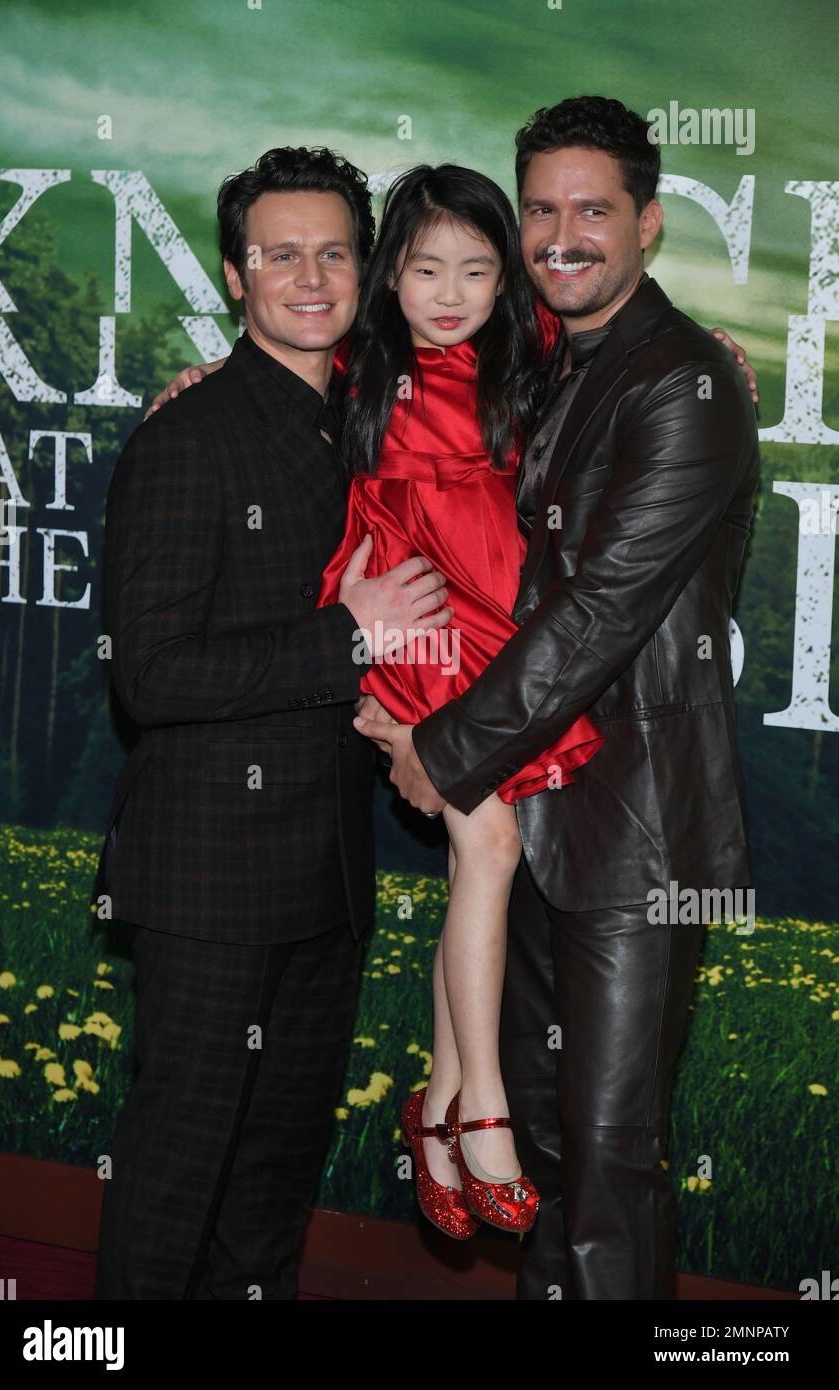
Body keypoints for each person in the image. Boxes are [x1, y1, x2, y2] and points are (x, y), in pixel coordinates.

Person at [356, 97, 761, 1300]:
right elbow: (380, 362)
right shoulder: (533, 359)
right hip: (533, 815)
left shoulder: (683, 383)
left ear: (646, 223)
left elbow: (597, 612)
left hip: (635, 836)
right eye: (540, 208)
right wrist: (207, 380)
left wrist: (446, 748)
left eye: (593, 209)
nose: (561, 232)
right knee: (538, 1153)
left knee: (603, 1169)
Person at [91, 145, 452, 1300]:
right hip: (206, 884)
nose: (311, 276)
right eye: (280, 253)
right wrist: (347, 635)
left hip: (325, 880)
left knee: (270, 1195)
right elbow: (151, 675)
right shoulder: (184, 437)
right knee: (173, 1181)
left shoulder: (371, 422)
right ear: (235, 274)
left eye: (335, 251)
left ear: (367, 269)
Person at [315, 163, 605, 1239]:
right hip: (412, 622)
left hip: (492, 633)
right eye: (426, 267)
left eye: (476, 270)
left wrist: (709, 347)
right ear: (389, 272)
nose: (448, 291)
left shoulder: (526, 364)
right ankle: (479, 1104)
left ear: (506, 281)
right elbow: (256, 366)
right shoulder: (355, 366)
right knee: (487, 851)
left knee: (479, 856)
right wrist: (194, 374)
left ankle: (436, 1106)